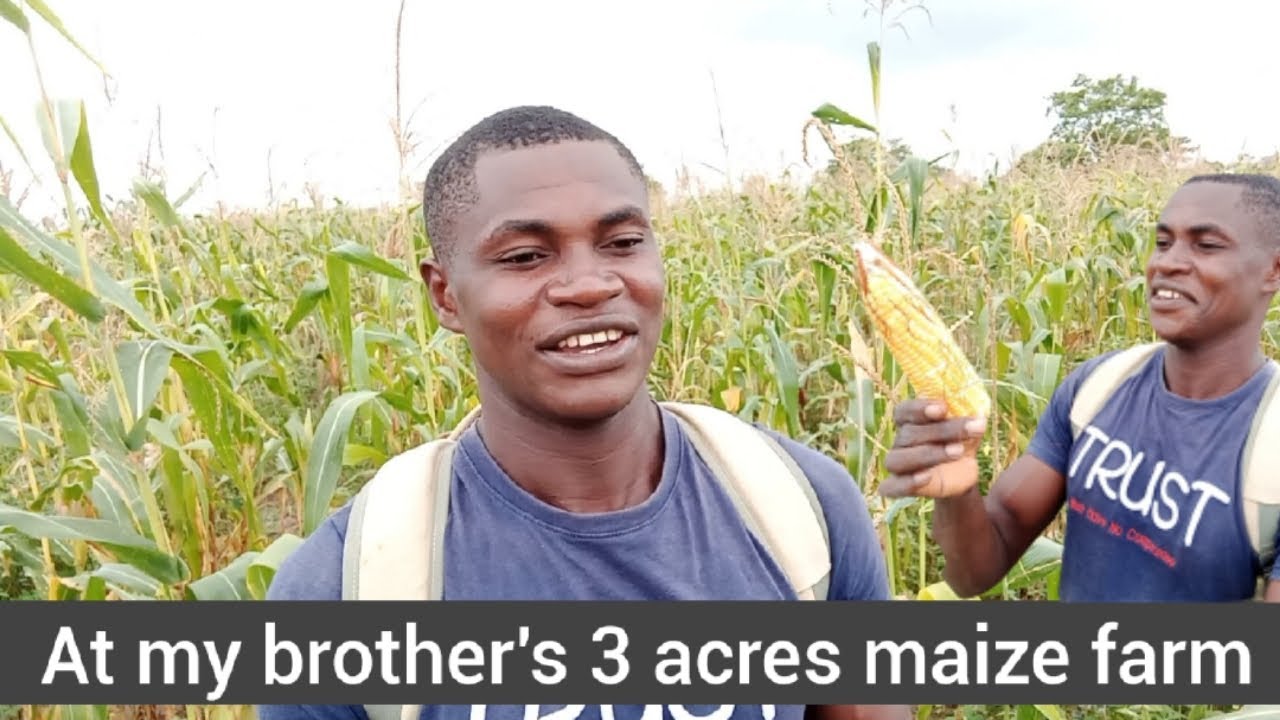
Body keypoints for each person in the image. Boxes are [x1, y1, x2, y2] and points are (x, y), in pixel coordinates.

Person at [259, 105, 909, 720]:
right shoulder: (347, 589)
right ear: (446, 295)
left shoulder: (801, 511)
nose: (590, 285)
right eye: (525, 257)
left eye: (622, 242)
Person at [879, 172, 1280, 603]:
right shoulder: (1097, 387)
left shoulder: (1269, 443)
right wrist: (956, 491)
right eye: (1163, 243)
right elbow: (975, 572)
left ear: (1273, 271)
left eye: (1206, 245)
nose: (1166, 263)